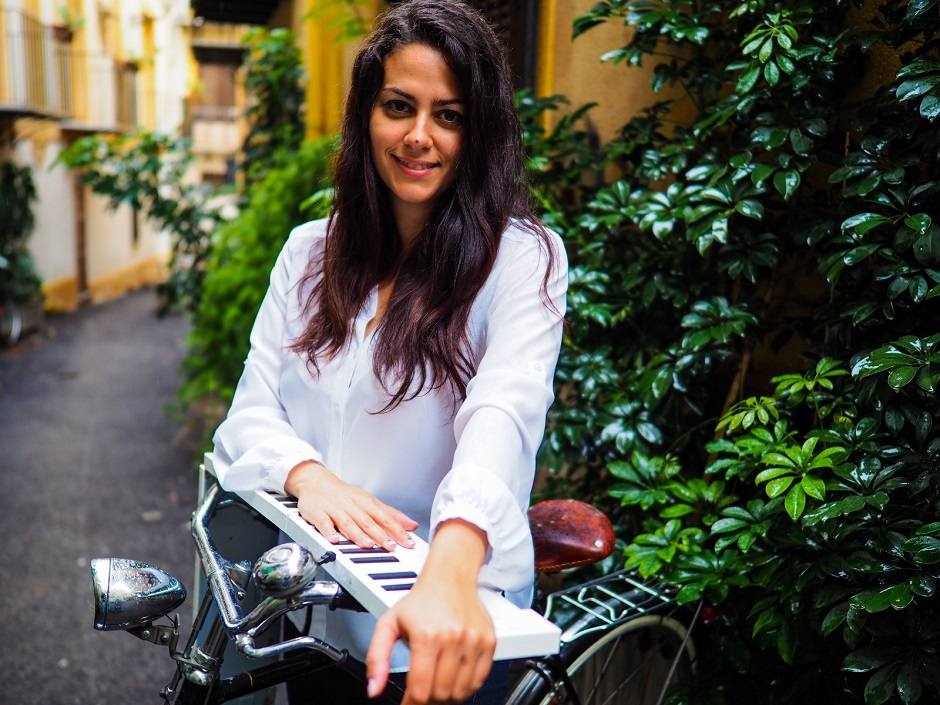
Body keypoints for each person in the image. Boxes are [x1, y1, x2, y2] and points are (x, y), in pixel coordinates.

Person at [211, 1, 568, 703]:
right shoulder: (310, 253)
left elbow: (503, 415)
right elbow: (250, 414)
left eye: (449, 115)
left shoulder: (523, 259)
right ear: (366, 116)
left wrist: (450, 571)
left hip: (443, 620)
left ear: (479, 131)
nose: (418, 136)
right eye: (398, 106)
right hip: (316, 615)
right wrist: (312, 477)